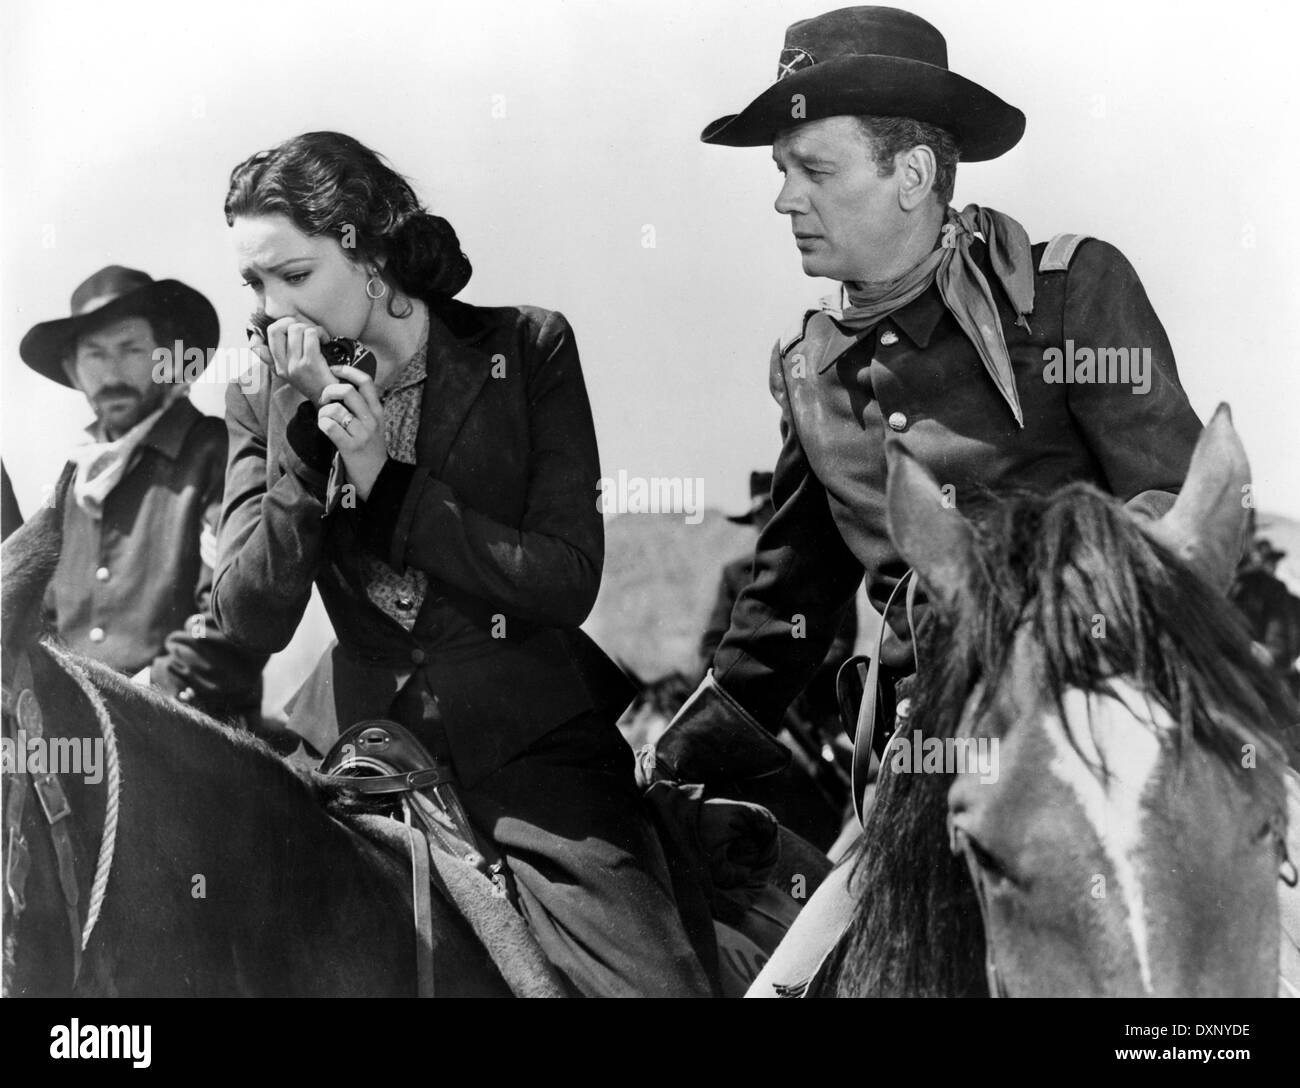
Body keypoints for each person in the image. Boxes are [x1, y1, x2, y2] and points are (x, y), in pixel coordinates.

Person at [635, 5, 1210, 993]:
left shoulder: (1067, 292)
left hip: (1101, 741)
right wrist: (691, 735)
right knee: (783, 992)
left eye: (812, 170)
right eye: (781, 171)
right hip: (920, 771)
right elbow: (792, 591)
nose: (783, 200)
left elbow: (1170, 498)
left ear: (911, 175)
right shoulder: (810, 366)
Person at [211, 131, 711, 997]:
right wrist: (301, 440)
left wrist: (386, 483)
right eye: (253, 283)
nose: (268, 311)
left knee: (654, 987)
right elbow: (250, 616)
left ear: (368, 254)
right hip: (360, 751)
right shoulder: (260, 390)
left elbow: (564, 577)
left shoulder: (527, 349)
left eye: (293, 276)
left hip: (532, 747)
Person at [17, 266, 267, 726]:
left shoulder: (216, 452)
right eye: (93, 355)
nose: (110, 373)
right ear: (74, 370)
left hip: (191, 737)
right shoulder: (73, 481)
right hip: (83, 734)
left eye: (130, 350)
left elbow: (232, 617)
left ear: (167, 361)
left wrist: (137, 701)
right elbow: (42, 618)